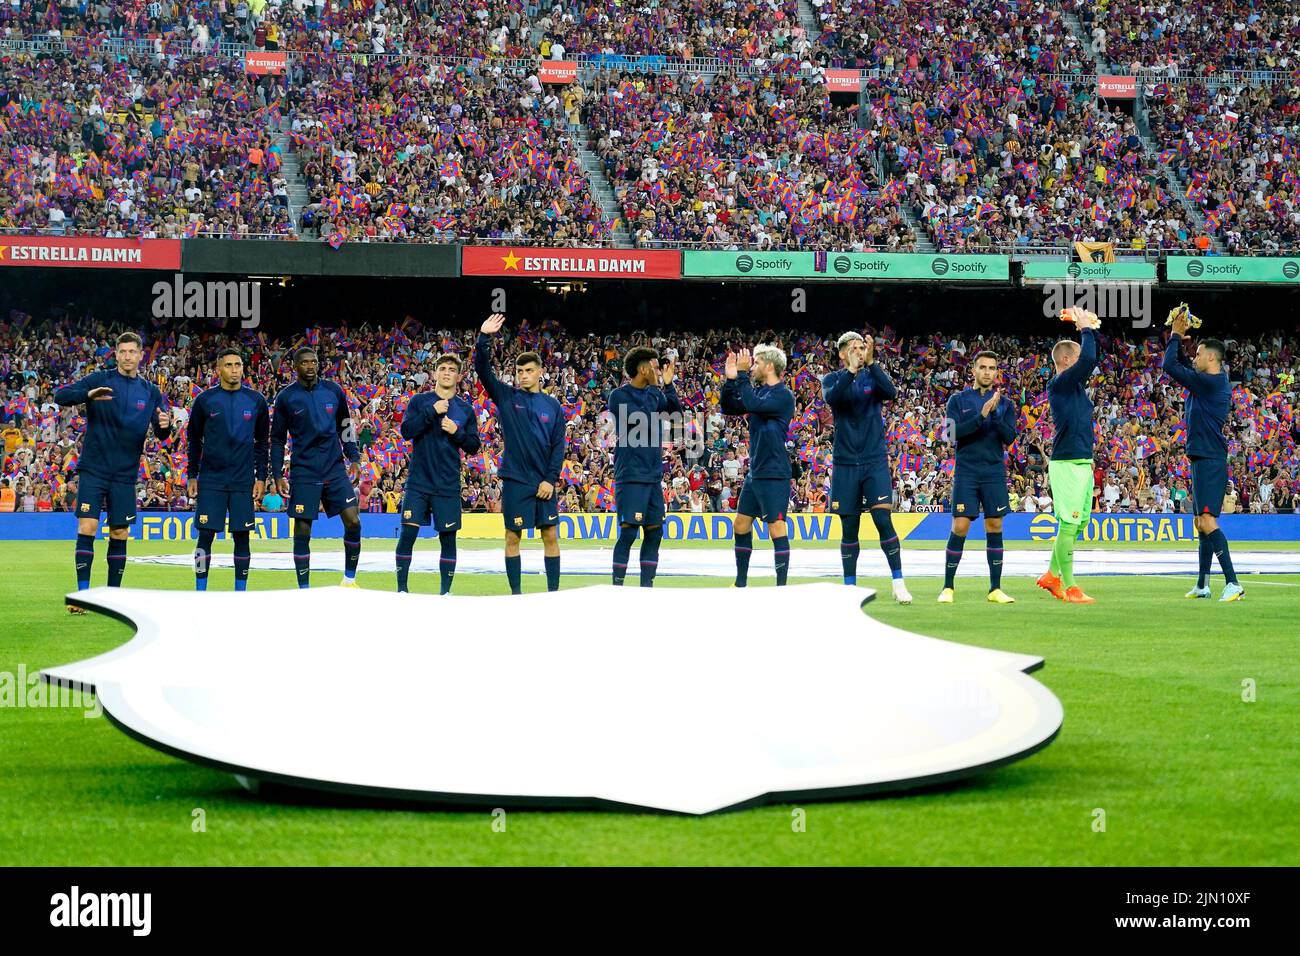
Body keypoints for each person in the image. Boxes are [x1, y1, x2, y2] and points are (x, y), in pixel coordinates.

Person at [55, 332, 171, 610]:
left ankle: (112, 599)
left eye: (133, 351)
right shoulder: (100, 380)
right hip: (95, 468)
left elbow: (162, 433)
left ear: (141, 355)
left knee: (119, 532)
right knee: (88, 526)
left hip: (125, 473)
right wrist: (87, 395)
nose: (128, 356)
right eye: (123, 351)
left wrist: (165, 426)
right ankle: (83, 596)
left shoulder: (151, 391)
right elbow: (61, 395)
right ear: (116, 354)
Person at [475, 313, 566, 594]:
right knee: (512, 536)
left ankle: (553, 594)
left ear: (540, 372)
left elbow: (558, 446)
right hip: (516, 480)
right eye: (519, 371)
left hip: (544, 482)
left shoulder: (552, 406)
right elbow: (483, 371)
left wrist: (550, 479)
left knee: (550, 535)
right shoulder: (507, 396)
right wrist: (483, 338)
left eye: (528, 371)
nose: (523, 375)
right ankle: (516, 595)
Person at [821, 331, 912, 604]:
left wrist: (872, 364)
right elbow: (833, 400)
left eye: (862, 347)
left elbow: (892, 392)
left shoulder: (873, 375)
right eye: (853, 348)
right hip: (845, 463)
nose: (859, 351)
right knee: (850, 528)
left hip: (874, 461)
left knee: (883, 520)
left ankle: (898, 583)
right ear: (841, 353)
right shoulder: (833, 379)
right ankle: (850, 588)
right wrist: (850, 369)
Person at [1163, 309, 1242, 601]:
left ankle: (1233, 583)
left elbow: (1170, 366)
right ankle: (1203, 584)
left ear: (1211, 358)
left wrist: (1174, 336)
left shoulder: (1210, 382)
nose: (1194, 357)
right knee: (1200, 522)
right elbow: (1182, 364)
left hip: (1210, 458)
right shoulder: (1208, 381)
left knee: (1207, 520)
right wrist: (1181, 341)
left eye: (1198, 353)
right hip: (1204, 457)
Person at [270, 347, 362, 589]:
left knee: (353, 521)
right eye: (305, 363)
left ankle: (350, 580)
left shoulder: (333, 390)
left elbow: (345, 424)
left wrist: (354, 457)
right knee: (302, 529)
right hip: (304, 470)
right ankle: (304, 588)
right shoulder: (286, 397)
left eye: (314, 362)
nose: (310, 366)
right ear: (295, 366)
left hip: (334, 467)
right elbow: (278, 438)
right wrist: (278, 474)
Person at [396, 354, 481, 594]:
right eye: (442, 368)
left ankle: (446, 593)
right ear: (434, 373)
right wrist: (431, 412)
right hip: (418, 482)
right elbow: (406, 431)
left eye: (451, 369)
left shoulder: (465, 410)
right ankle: (402, 591)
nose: (446, 372)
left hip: (448, 484)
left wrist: (457, 432)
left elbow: (473, 446)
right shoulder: (419, 401)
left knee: (448, 539)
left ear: (458, 376)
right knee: (408, 534)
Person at [186, 347, 270, 592]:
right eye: (229, 365)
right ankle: (200, 591)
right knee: (205, 537)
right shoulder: (205, 400)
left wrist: (261, 477)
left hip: (243, 480)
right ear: (219, 369)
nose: (235, 369)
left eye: (238, 365)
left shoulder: (256, 400)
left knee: (242, 537)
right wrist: (193, 474)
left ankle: (240, 593)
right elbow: (194, 440)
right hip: (211, 479)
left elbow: (262, 442)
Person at [939, 351, 1017, 604]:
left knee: (994, 526)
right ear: (973, 370)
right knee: (960, 525)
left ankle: (995, 589)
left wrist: (993, 415)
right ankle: (948, 587)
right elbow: (950, 435)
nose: (987, 372)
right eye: (982, 367)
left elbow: (1010, 437)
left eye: (992, 368)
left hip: (993, 470)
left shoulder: (1005, 404)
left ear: (996, 372)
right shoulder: (957, 400)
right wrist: (981, 416)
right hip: (967, 470)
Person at [1037, 308, 1100, 604]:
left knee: (1078, 524)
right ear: (1066, 361)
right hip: (1067, 463)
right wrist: (1085, 328)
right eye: (1075, 360)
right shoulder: (1060, 384)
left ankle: (1052, 573)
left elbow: (1087, 359)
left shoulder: (1073, 390)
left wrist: (1091, 328)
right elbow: (1088, 359)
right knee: (1070, 524)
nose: (1083, 368)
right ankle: (1071, 586)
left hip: (1082, 462)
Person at [721, 345, 795, 587]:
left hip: (775, 473)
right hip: (757, 472)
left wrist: (742, 375)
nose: (752, 367)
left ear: (770, 366)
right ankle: (740, 583)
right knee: (740, 524)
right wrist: (732, 380)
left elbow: (751, 404)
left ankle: (781, 587)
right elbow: (729, 407)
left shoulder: (783, 395)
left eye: (757, 362)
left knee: (776, 527)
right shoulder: (760, 393)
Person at [607, 346, 682, 587]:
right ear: (642, 369)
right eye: (655, 367)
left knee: (654, 532)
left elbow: (676, 415)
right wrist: (656, 390)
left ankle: (646, 589)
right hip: (630, 474)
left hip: (652, 475)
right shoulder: (618, 396)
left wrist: (668, 387)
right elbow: (641, 420)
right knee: (629, 532)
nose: (659, 371)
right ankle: (617, 587)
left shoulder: (657, 394)